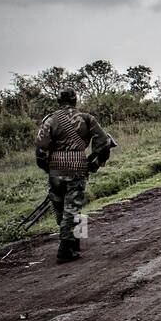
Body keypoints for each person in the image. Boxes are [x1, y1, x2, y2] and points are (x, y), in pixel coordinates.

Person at [33, 89, 116, 263]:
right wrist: (94, 162)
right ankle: (65, 249)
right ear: (75, 100)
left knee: (60, 207)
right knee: (73, 207)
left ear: (58, 101)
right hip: (77, 166)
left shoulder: (49, 120)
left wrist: (47, 167)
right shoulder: (86, 118)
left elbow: (41, 148)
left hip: (55, 169)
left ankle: (74, 242)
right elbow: (103, 142)